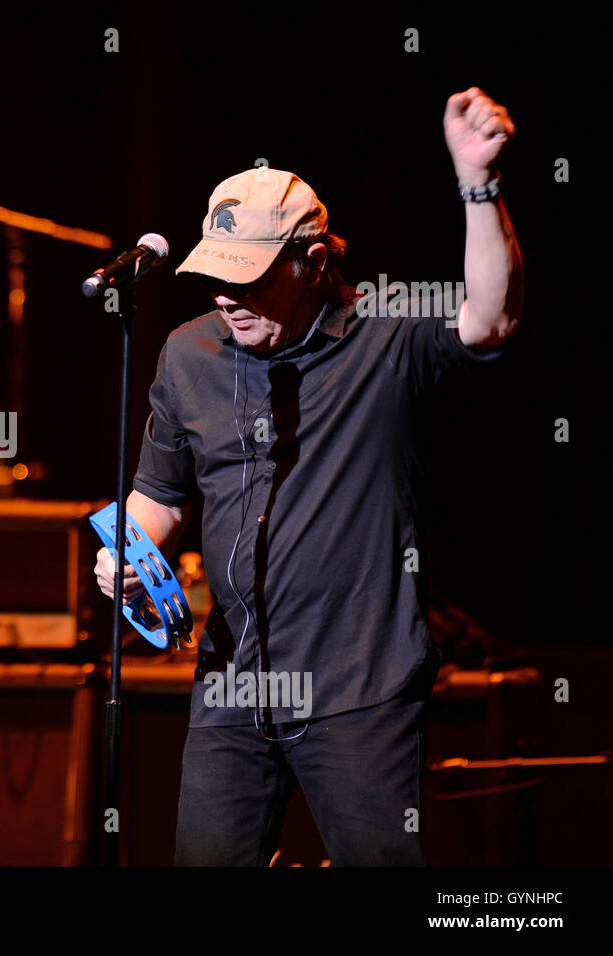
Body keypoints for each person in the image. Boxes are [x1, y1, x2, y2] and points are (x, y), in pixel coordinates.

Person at [95, 88, 521, 865]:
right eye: (215, 276)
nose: (226, 297)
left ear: (314, 261)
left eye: (250, 278)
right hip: (231, 684)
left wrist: (476, 183)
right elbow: (159, 496)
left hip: (360, 689)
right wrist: (128, 553)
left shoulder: (385, 337)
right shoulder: (188, 353)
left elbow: (490, 319)